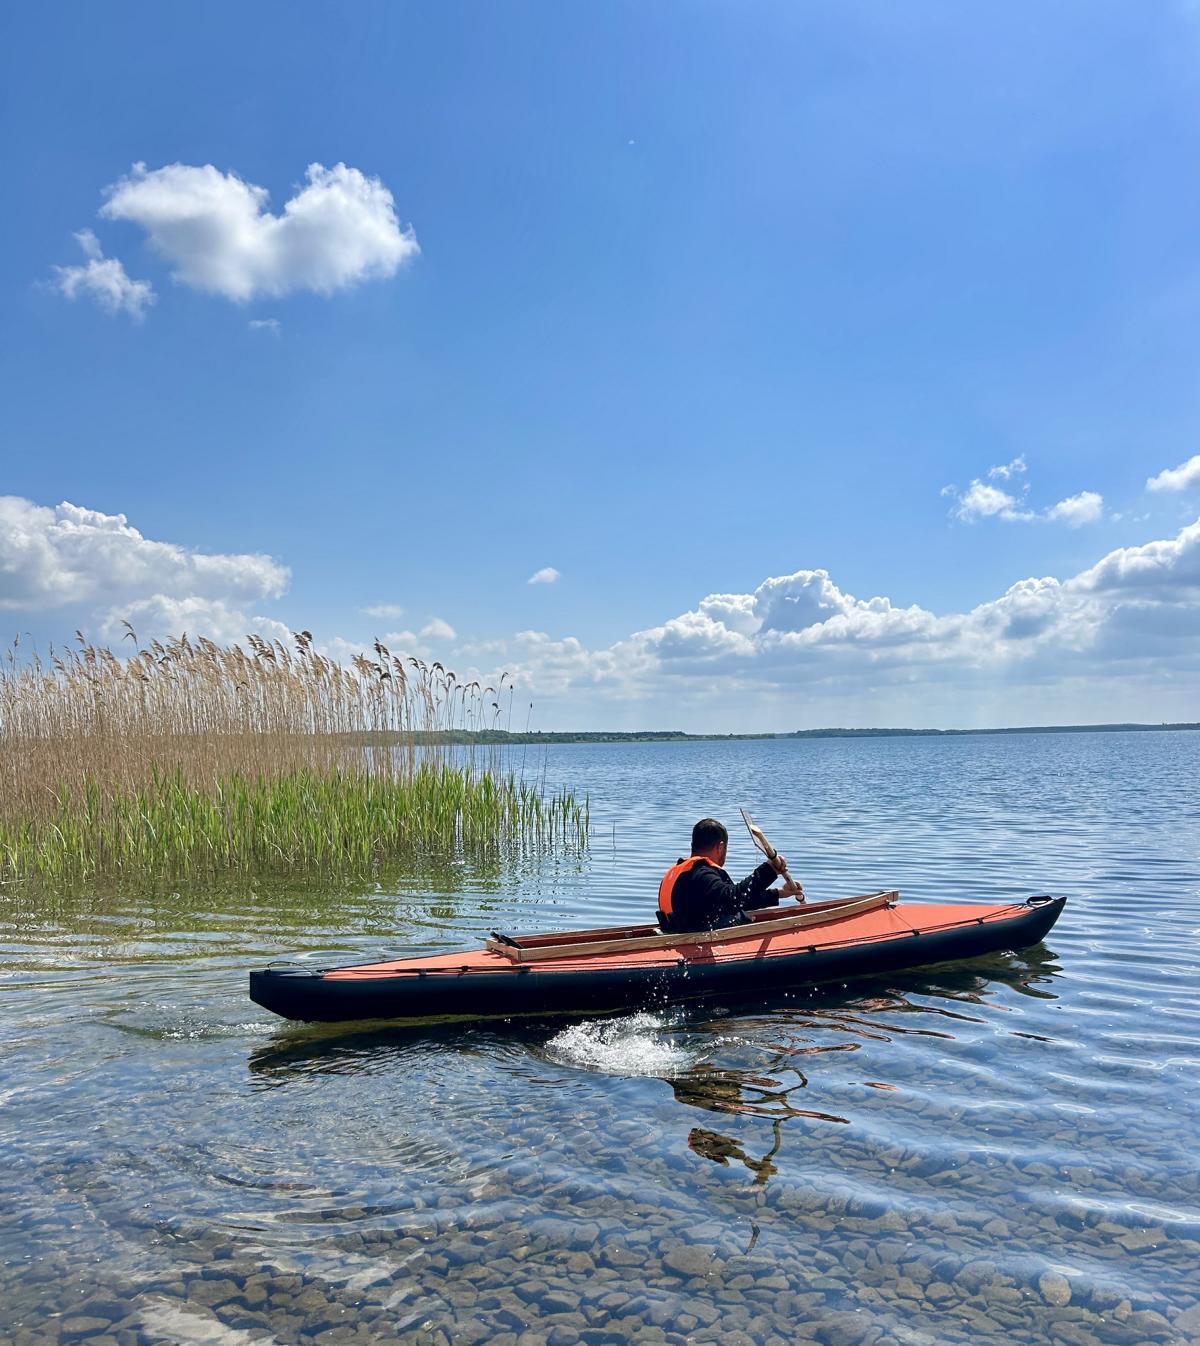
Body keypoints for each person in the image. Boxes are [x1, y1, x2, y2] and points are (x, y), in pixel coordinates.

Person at [657, 817, 804, 934]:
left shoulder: (681, 874)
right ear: (720, 847)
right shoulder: (703, 875)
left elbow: (731, 903)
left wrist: (778, 893)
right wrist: (769, 870)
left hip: (679, 935)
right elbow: (734, 899)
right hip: (695, 943)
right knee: (740, 917)